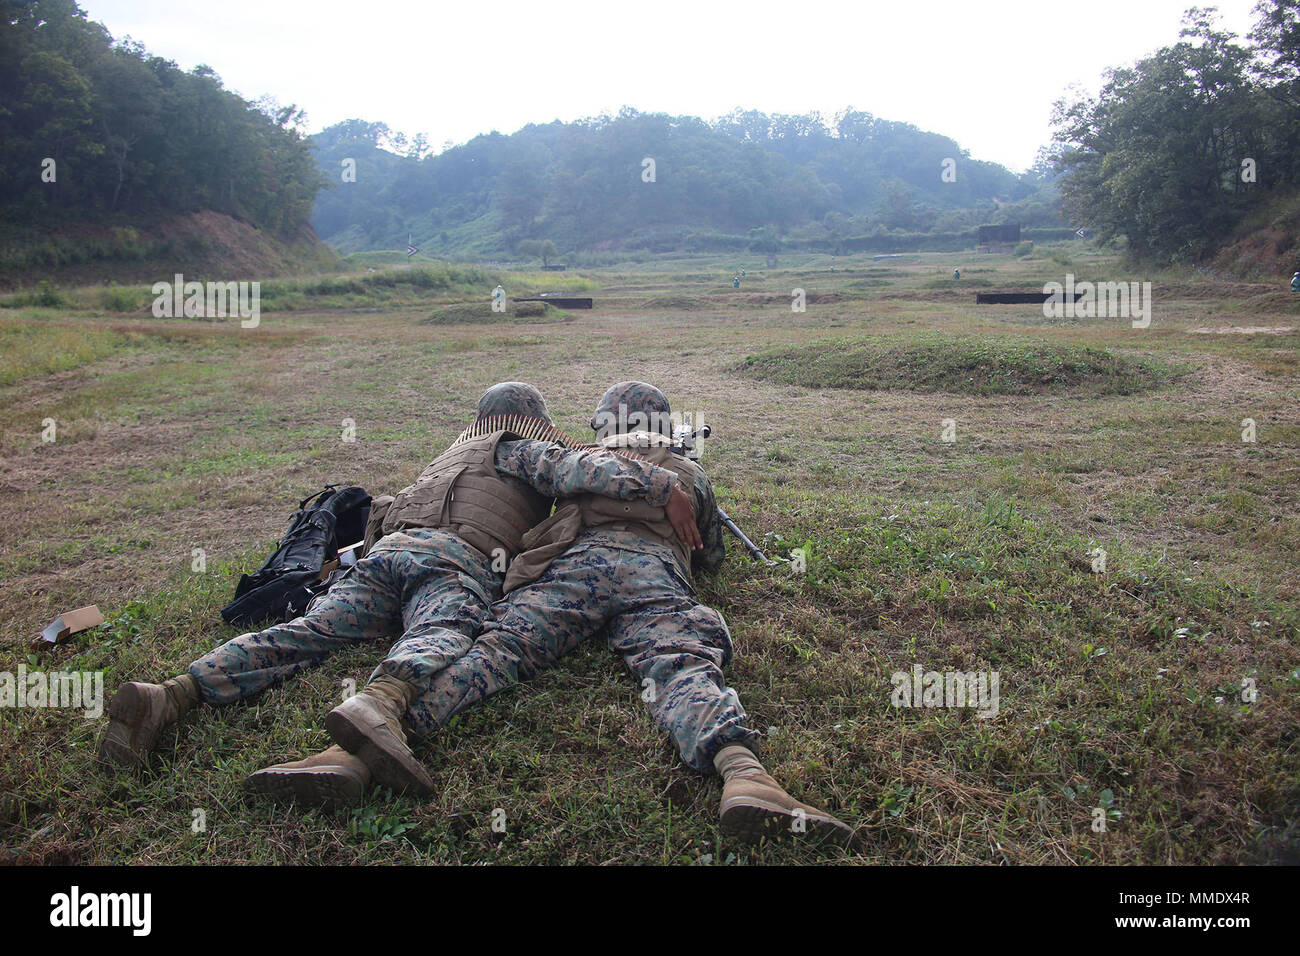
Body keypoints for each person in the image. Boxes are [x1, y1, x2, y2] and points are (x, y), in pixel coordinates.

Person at [99, 382, 697, 807]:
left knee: (308, 633)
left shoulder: (446, 457)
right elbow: (576, 473)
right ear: (530, 421)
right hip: (452, 562)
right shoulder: (517, 447)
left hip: (384, 556)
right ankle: (382, 701)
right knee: (446, 628)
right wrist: (660, 480)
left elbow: (381, 517)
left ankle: (174, 693)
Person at [330, 381, 853, 844]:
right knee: (681, 664)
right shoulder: (687, 468)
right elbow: (711, 556)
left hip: (573, 570)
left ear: (603, 425)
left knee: (498, 650)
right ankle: (744, 776)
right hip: (653, 575)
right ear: (664, 425)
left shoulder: (588, 465)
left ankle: (360, 753)